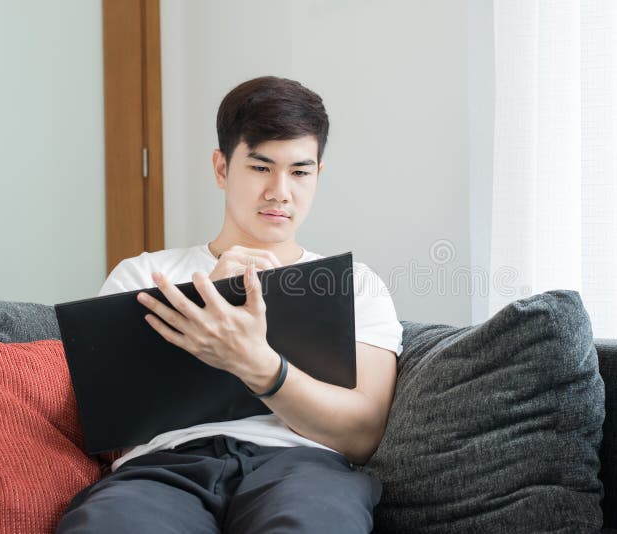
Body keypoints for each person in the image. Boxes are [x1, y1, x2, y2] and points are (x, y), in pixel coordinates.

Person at [56, 76, 403, 533]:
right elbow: (110, 432)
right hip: (163, 471)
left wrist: (260, 366)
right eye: (260, 167)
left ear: (318, 174)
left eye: (300, 171)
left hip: (301, 468)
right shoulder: (142, 275)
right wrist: (207, 302)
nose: (281, 191)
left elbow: (361, 435)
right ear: (221, 168)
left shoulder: (357, 284)